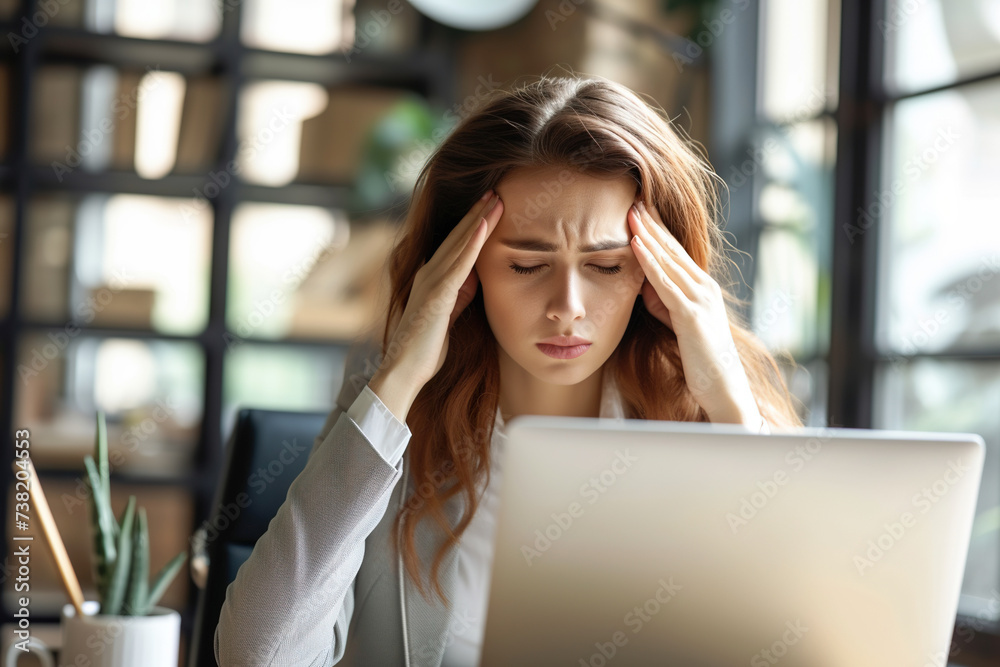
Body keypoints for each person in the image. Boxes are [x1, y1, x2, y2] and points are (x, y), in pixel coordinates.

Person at [214, 72, 803, 667]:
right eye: (526, 265)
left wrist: (727, 407)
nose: (567, 307)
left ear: (656, 275)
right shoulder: (396, 417)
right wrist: (396, 379)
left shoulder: (720, 420)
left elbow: (796, 649)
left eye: (605, 266)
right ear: (460, 271)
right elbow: (257, 654)